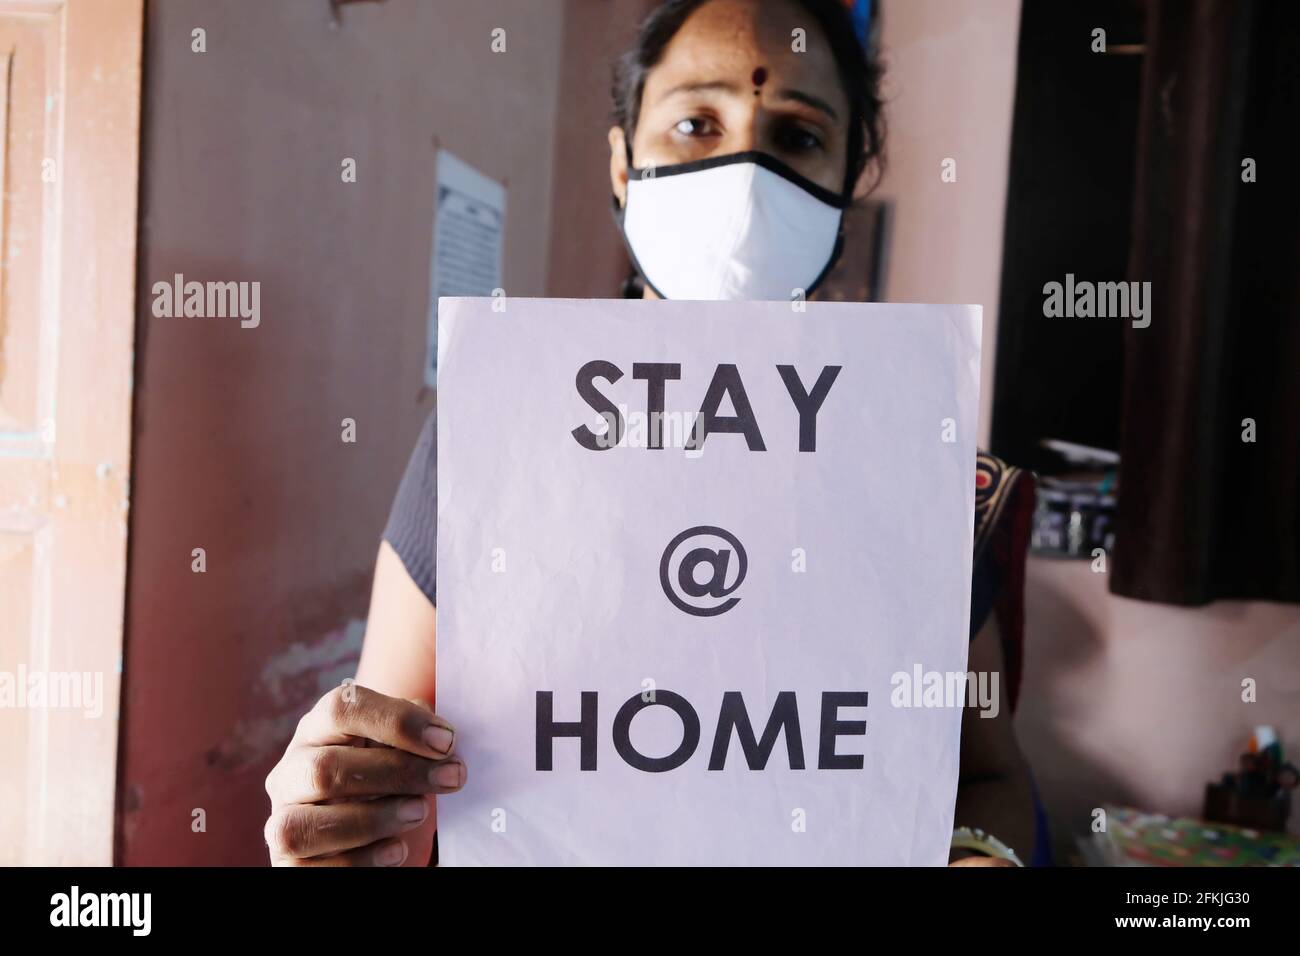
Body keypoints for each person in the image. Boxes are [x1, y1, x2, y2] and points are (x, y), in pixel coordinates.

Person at [263, 0, 1042, 867]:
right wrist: (342, 822)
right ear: (625, 164)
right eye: (696, 122)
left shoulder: (905, 453)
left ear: (845, 183)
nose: (745, 173)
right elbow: (396, 788)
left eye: (797, 137)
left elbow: (990, 773)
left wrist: (985, 858)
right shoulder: (494, 433)